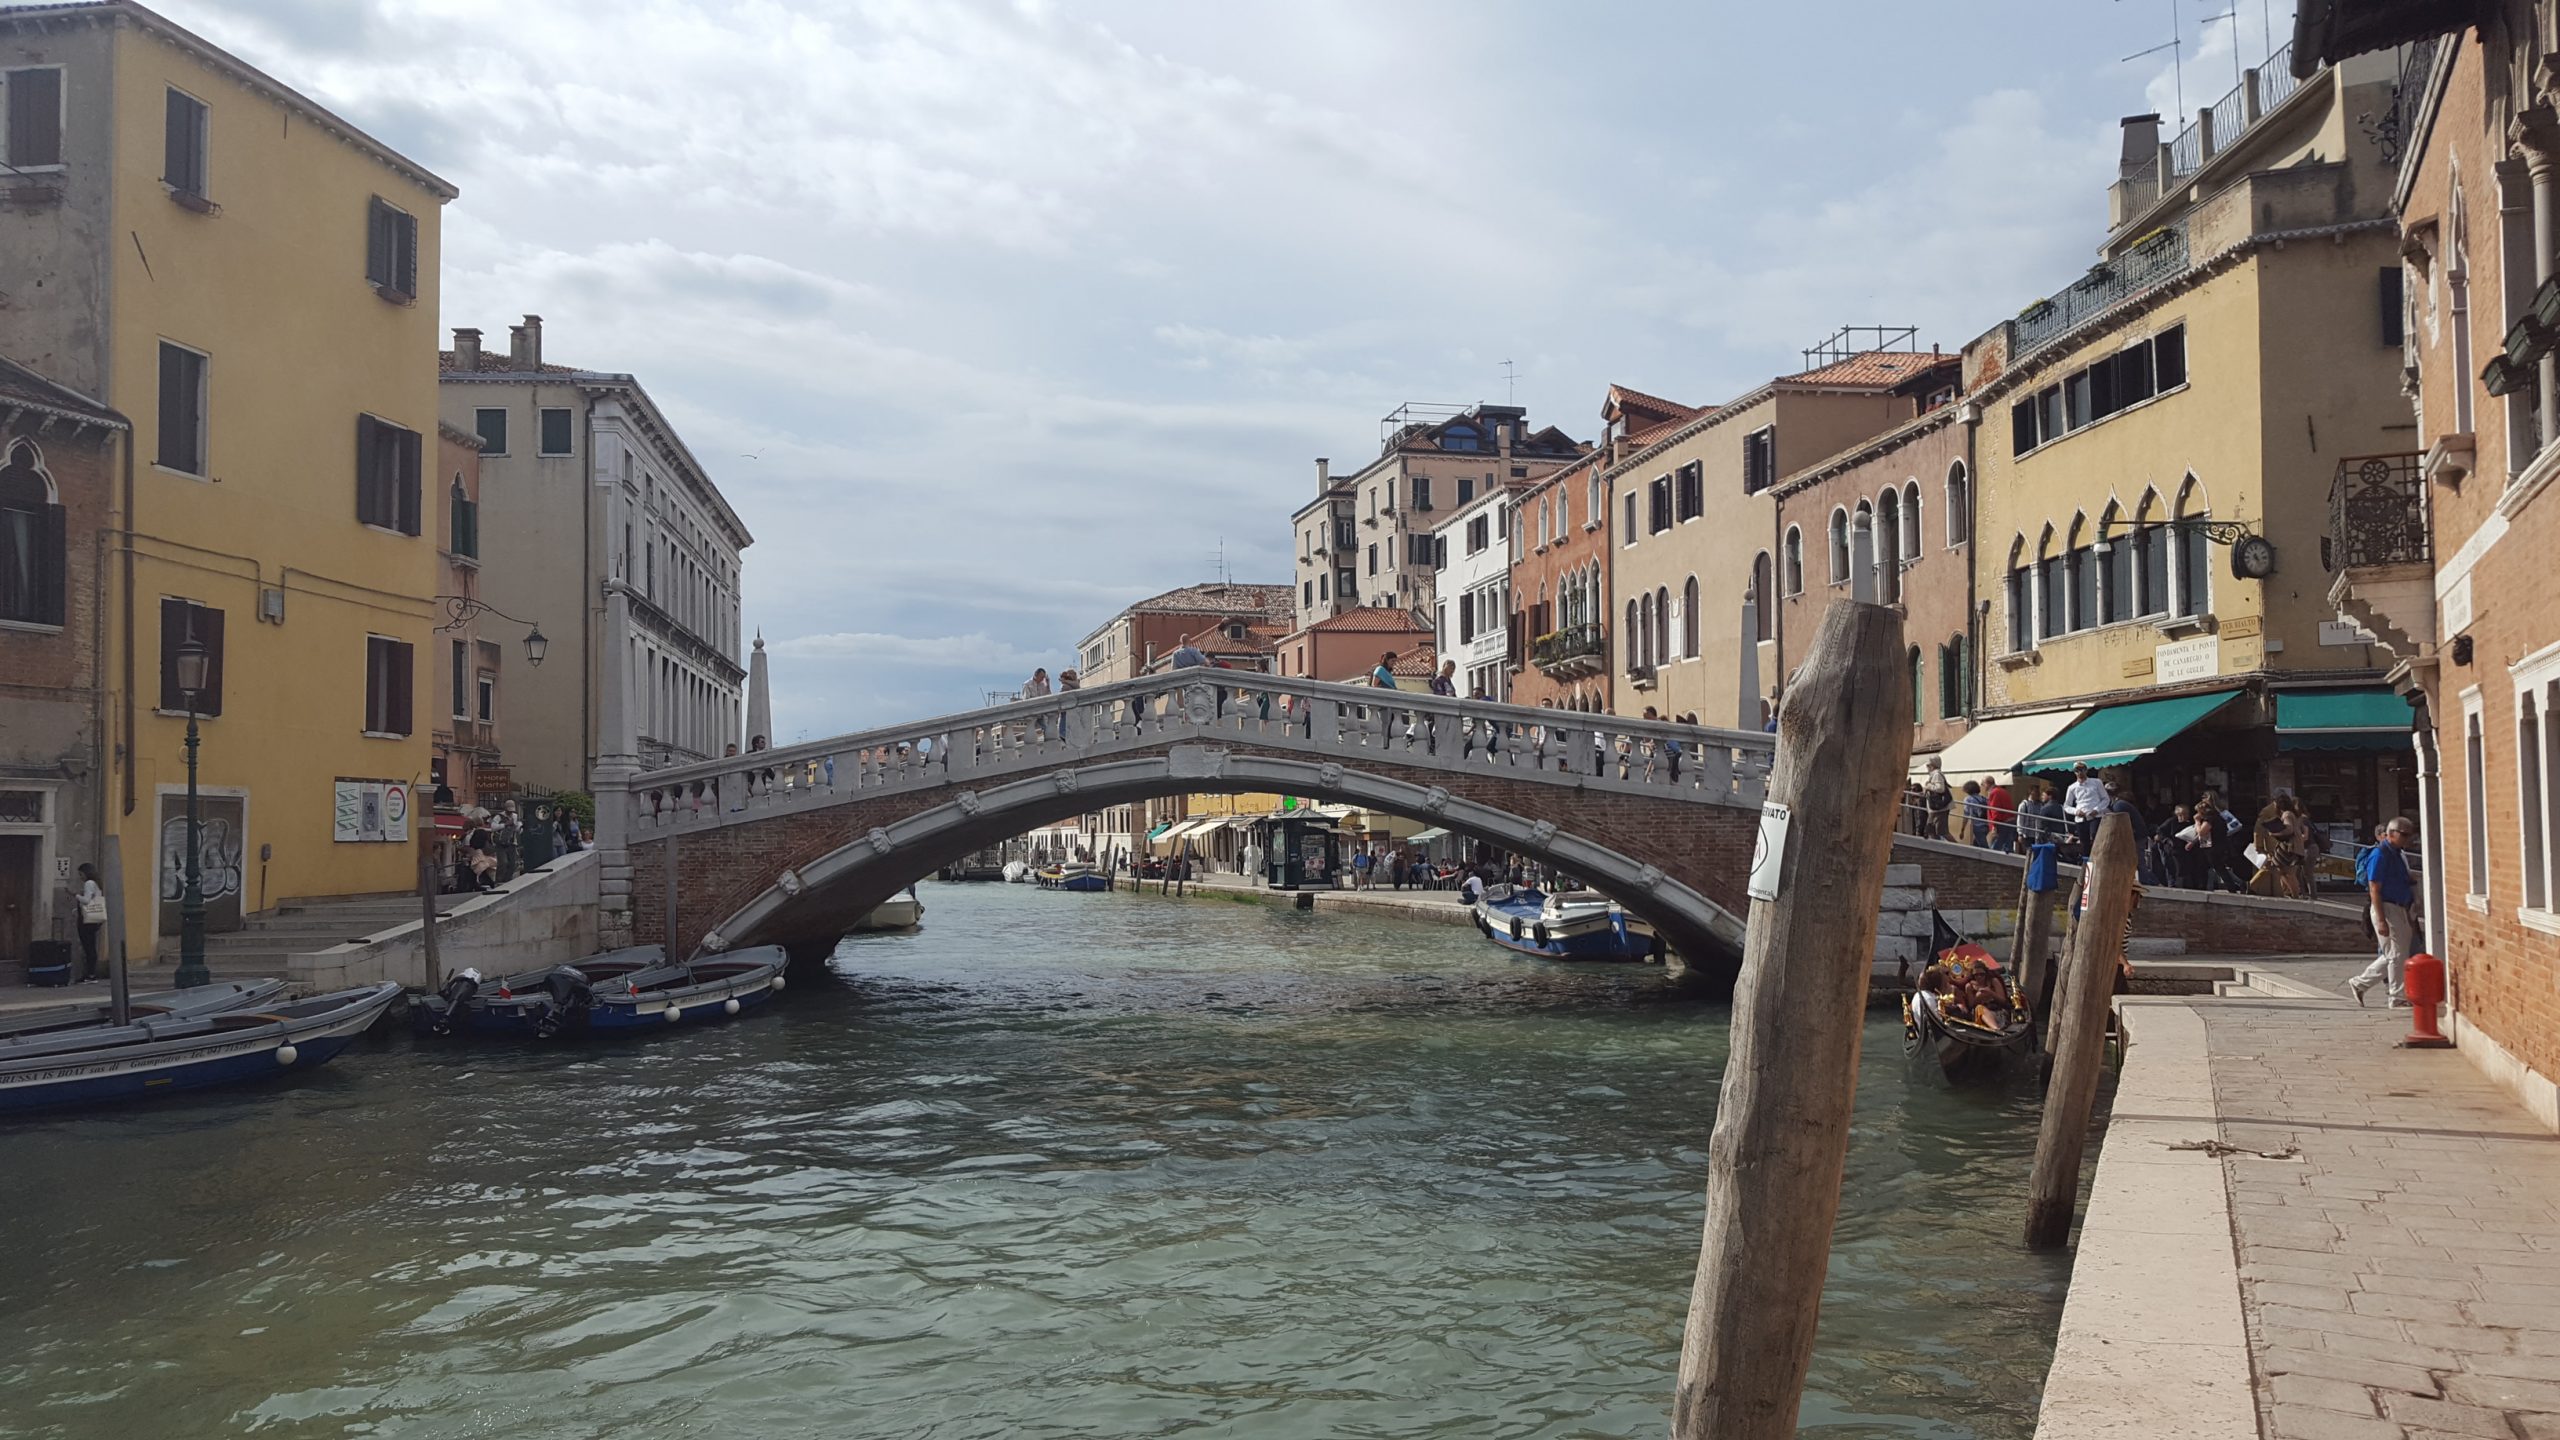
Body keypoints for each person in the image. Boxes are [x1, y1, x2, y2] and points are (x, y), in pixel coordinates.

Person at [2349, 817, 2419, 1007]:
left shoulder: (2396, 853)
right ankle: (2397, 997)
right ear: (2390, 834)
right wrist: (2381, 920)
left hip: (2399, 906)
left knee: (2394, 954)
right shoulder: (2380, 855)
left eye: (2409, 834)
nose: (2407, 838)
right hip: (2387, 908)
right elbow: (2374, 887)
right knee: (2397, 955)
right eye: (2403, 834)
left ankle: (2360, 983)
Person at [2061, 763, 2109, 855]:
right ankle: (2086, 863)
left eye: (2082, 770)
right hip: (2081, 818)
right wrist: (2076, 811)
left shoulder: (2096, 782)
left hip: (2095, 816)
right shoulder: (2072, 787)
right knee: (2084, 844)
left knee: (2095, 837)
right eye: (2077, 771)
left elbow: (2105, 799)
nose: (2079, 772)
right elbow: (2066, 806)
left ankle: (2097, 860)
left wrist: (2097, 809)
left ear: (2086, 770)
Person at [73, 862, 108, 982]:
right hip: (94, 918)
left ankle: (90, 974)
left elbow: (87, 901)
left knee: (88, 947)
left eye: (81, 874)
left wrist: (76, 895)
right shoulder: (97, 884)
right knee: (91, 946)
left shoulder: (88, 883)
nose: (80, 877)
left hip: (86, 920)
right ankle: (91, 973)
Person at [1921, 758, 1954, 839]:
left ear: (1933, 766)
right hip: (1935, 808)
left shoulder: (1936, 774)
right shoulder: (1935, 775)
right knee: (1931, 830)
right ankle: (1935, 847)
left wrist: (1928, 786)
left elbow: (1940, 788)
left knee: (1941, 831)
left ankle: (1959, 849)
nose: (1927, 767)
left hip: (1939, 808)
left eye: (1928, 765)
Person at [1985, 776, 2017, 853]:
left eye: (1983, 784)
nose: (1983, 787)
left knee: (1996, 846)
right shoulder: (2002, 791)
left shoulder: (1994, 793)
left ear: (1988, 784)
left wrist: (1994, 825)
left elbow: (1995, 809)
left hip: (2002, 822)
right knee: (2007, 846)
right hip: (2010, 820)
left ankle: (1990, 861)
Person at [1960, 780, 1988, 847]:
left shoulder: (1968, 799)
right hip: (1986, 824)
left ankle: (1992, 856)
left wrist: (1962, 830)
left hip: (1977, 824)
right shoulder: (1983, 798)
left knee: (1983, 846)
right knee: (1976, 843)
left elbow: (1966, 815)